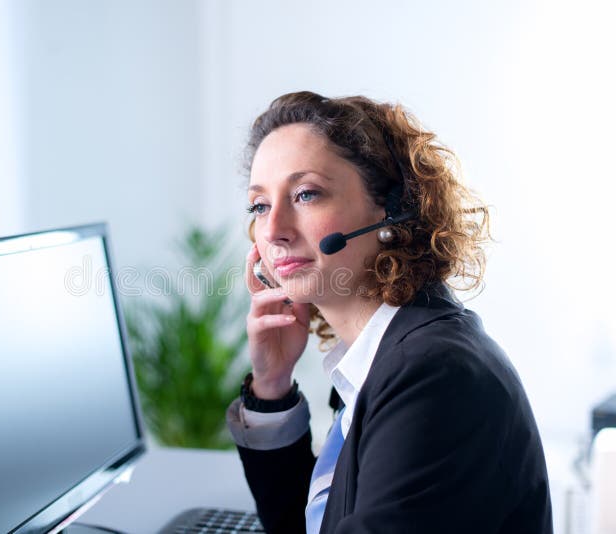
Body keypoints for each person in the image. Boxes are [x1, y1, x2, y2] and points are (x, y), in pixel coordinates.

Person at [225, 91, 552, 534]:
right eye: (260, 206)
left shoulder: (434, 375)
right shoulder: (382, 356)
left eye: (306, 194)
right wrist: (272, 386)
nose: (274, 230)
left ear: (392, 209)